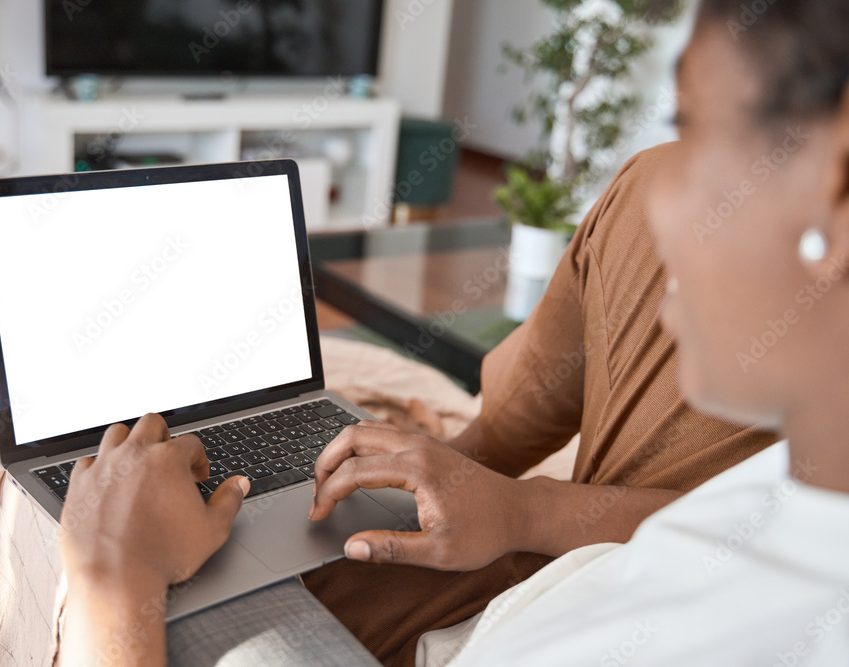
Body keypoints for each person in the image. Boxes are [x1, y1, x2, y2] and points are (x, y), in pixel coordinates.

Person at [57, 0, 849, 664]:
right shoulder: (799, 479)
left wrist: (111, 583)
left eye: (699, 136)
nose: (666, 198)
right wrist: (519, 508)